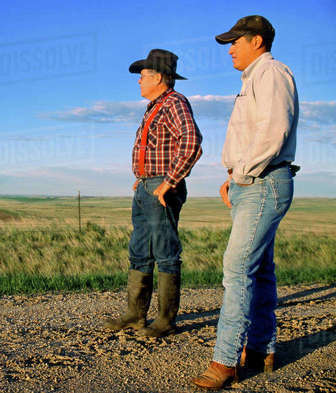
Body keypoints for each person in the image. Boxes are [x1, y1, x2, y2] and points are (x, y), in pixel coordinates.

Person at [192, 15, 299, 390]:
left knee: (236, 269)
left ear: (256, 40)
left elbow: (273, 131)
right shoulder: (254, 79)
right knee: (260, 270)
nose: (230, 49)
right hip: (252, 181)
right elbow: (254, 135)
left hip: (262, 182)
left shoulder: (271, 73)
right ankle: (261, 349)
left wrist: (241, 173)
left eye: (235, 42)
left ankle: (224, 361)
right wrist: (233, 176)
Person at [104, 49, 202, 337]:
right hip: (146, 185)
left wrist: (169, 180)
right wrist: (143, 178)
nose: (139, 82)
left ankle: (165, 320)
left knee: (165, 252)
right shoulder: (155, 106)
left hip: (161, 189)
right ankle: (135, 315)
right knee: (139, 250)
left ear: (159, 77)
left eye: (143, 76)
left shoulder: (175, 103)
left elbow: (192, 141)